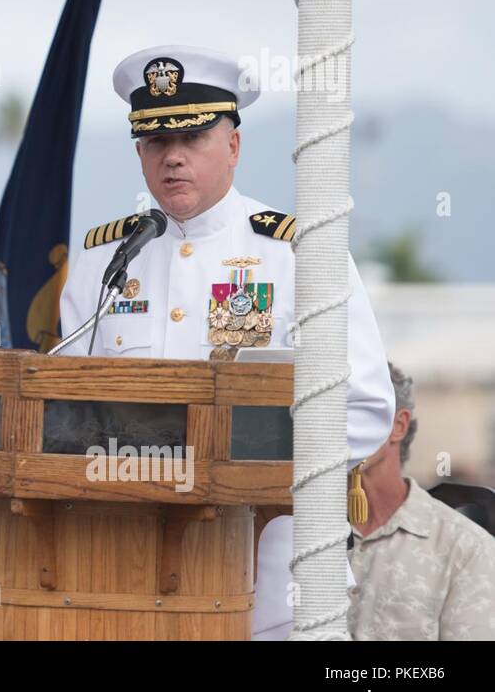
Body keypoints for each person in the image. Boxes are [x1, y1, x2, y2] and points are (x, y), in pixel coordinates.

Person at [57, 45, 395, 640]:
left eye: (193, 139)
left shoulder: (297, 253)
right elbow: (66, 410)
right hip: (127, 577)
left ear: (233, 147)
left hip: (278, 586)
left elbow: (363, 406)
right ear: (140, 154)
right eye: (158, 143)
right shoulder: (101, 264)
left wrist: (234, 465)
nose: (174, 158)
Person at [348, 362, 495, 640]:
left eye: (361, 412)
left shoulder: (465, 548)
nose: (344, 426)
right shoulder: (292, 531)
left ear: (398, 425)